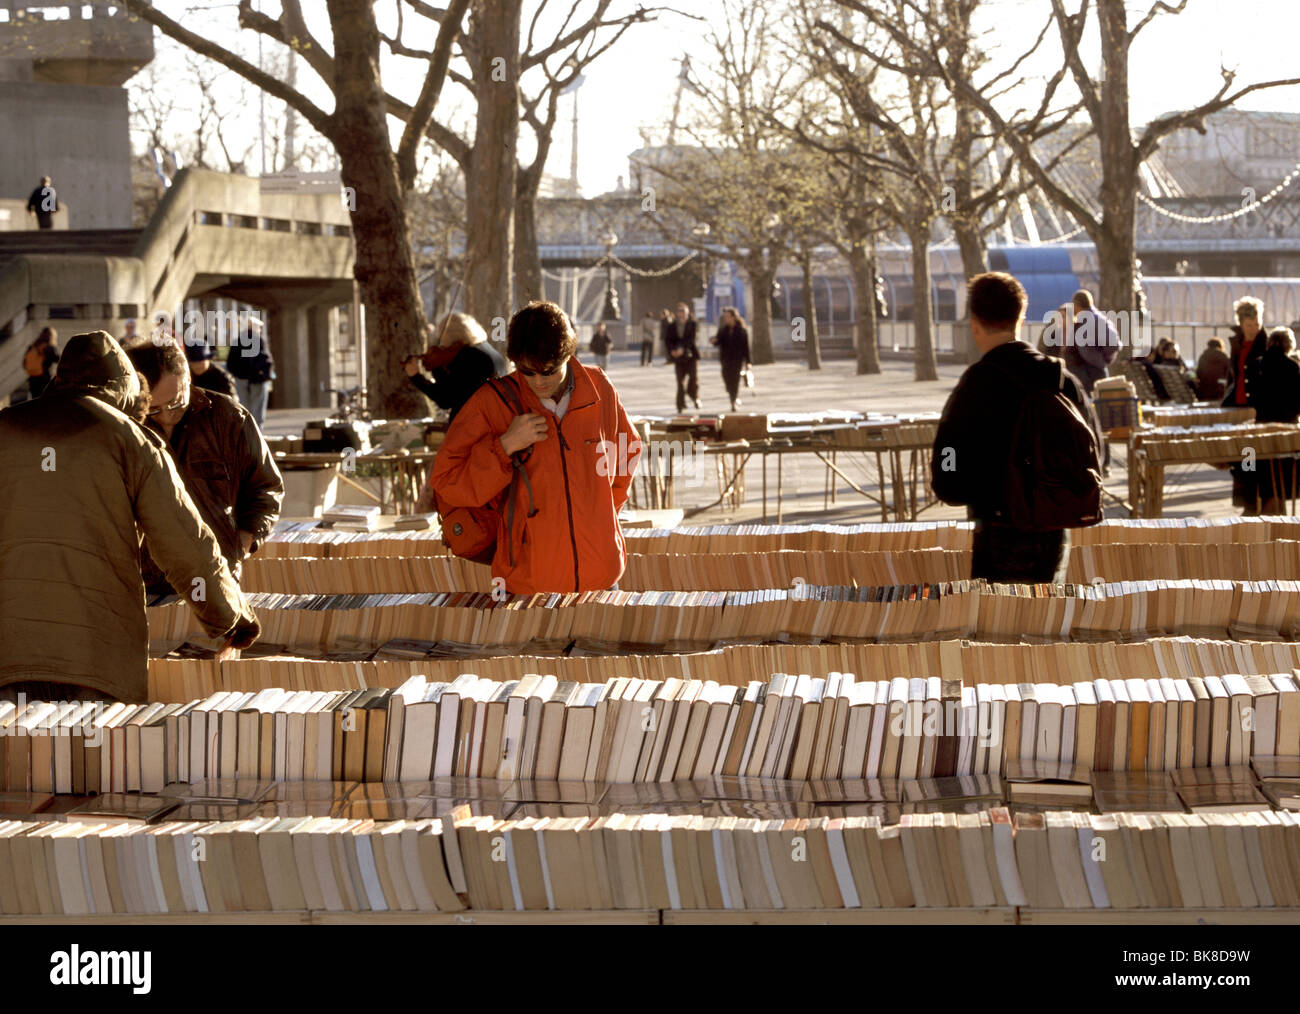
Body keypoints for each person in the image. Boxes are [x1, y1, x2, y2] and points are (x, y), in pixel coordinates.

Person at [0, 331, 260, 704]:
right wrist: (231, 619)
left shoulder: (6, 427)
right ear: (124, 387)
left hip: (8, 652)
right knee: (91, 741)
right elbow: (185, 545)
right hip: (97, 654)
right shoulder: (132, 441)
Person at [428, 300, 641, 595]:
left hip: (602, 575)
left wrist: (601, 515)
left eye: (548, 371)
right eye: (526, 372)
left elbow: (627, 452)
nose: (538, 382)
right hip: (527, 582)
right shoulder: (492, 403)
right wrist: (504, 447)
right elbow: (446, 480)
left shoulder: (598, 387)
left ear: (568, 355)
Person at [931, 272, 1101, 584]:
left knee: (997, 613)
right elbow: (1095, 447)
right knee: (1045, 609)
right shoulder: (1061, 379)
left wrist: (952, 481)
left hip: (997, 527)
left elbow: (949, 449)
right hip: (1054, 531)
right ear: (1021, 317)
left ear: (974, 323)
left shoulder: (975, 384)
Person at [124, 336, 285, 595]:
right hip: (143, 582)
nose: (166, 416)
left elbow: (265, 487)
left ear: (188, 377)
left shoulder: (229, 417)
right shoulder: (125, 426)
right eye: (154, 409)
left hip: (217, 577)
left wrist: (243, 542)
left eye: (175, 402)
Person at [404, 312, 509, 422]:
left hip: (473, 424)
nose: (442, 347)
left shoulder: (469, 358)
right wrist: (438, 367)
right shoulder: (487, 350)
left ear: (455, 341)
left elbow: (445, 400)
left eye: (445, 344)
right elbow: (455, 387)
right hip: (494, 419)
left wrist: (416, 377)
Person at [1223, 296, 1269, 511]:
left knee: (1251, 457)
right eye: (1249, 325)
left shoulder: (1266, 343)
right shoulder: (1237, 344)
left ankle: (1253, 503)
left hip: (1255, 410)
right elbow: (1234, 375)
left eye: (1256, 324)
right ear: (1241, 324)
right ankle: (1247, 502)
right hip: (1238, 407)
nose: (1253, 329)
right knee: (1240, 459)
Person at [1249, 328, 1300, 514]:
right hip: (1287, 428)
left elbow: (1251, 398)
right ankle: (1283, 513)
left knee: (1261, 470)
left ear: (1269, 343)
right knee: (1284, 474)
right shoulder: (1293, 366)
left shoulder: (1256, 365)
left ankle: (1265, 509)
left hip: (1262, 426)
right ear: (1289, 345)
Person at [1067, 288, 1121, 396]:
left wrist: (1100, 359)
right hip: (1088, 372)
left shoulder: (1094, 320)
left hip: (1091, 373)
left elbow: (1113, 345)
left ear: (1076, 305)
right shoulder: (1088, 319)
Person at [226, 316, 275, 427]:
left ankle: (247, 432)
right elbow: (265, 359)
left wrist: (238, 374)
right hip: (258, 379)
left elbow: (231, 362)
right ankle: (257, 432)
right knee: (258, 410)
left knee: (245, 408)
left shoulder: (237, 341)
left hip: (241, 379)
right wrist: (265, 374)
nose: (260, 330)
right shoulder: (259, 340)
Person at [711, 306, 751, 411]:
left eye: (728, 316)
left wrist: (748, 362)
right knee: (726, 378)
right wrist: (713, 341)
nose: (726, 318)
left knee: (735, 380)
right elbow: (718, 341)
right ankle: (732, 395)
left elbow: (746, 348)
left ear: (733, 317)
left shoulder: (741, 331)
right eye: (725, 316)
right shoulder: (723, 330)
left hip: (737, 360)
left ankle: (733, 401)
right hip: (725, 359)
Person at [666, 301, 700, 412]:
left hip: (690, 356)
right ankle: (680, 405)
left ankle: (694, 396)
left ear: (687, 312)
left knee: (693, 379)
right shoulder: (672, 325)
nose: (681, 313)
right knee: (680, 382)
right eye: (679, 311)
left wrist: (683, 348)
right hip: (678, 358)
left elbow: (691, 339)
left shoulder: (693, 324)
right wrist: (672, 350)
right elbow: (668, 340)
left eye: (683, 311)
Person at [22, 326, 59, 398]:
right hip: (45, 380)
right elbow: (59, 359)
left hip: (32, 379)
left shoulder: (32, 346)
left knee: (35, 399)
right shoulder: (49, 348)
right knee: (45, 400)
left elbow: (24, 363)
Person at [1195, 336, 1232, 402]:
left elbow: (1198, 373)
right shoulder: (1224, 356)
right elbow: (1229, 373)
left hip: (1204, 389)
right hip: (1219, 389)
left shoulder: (1203, 356)